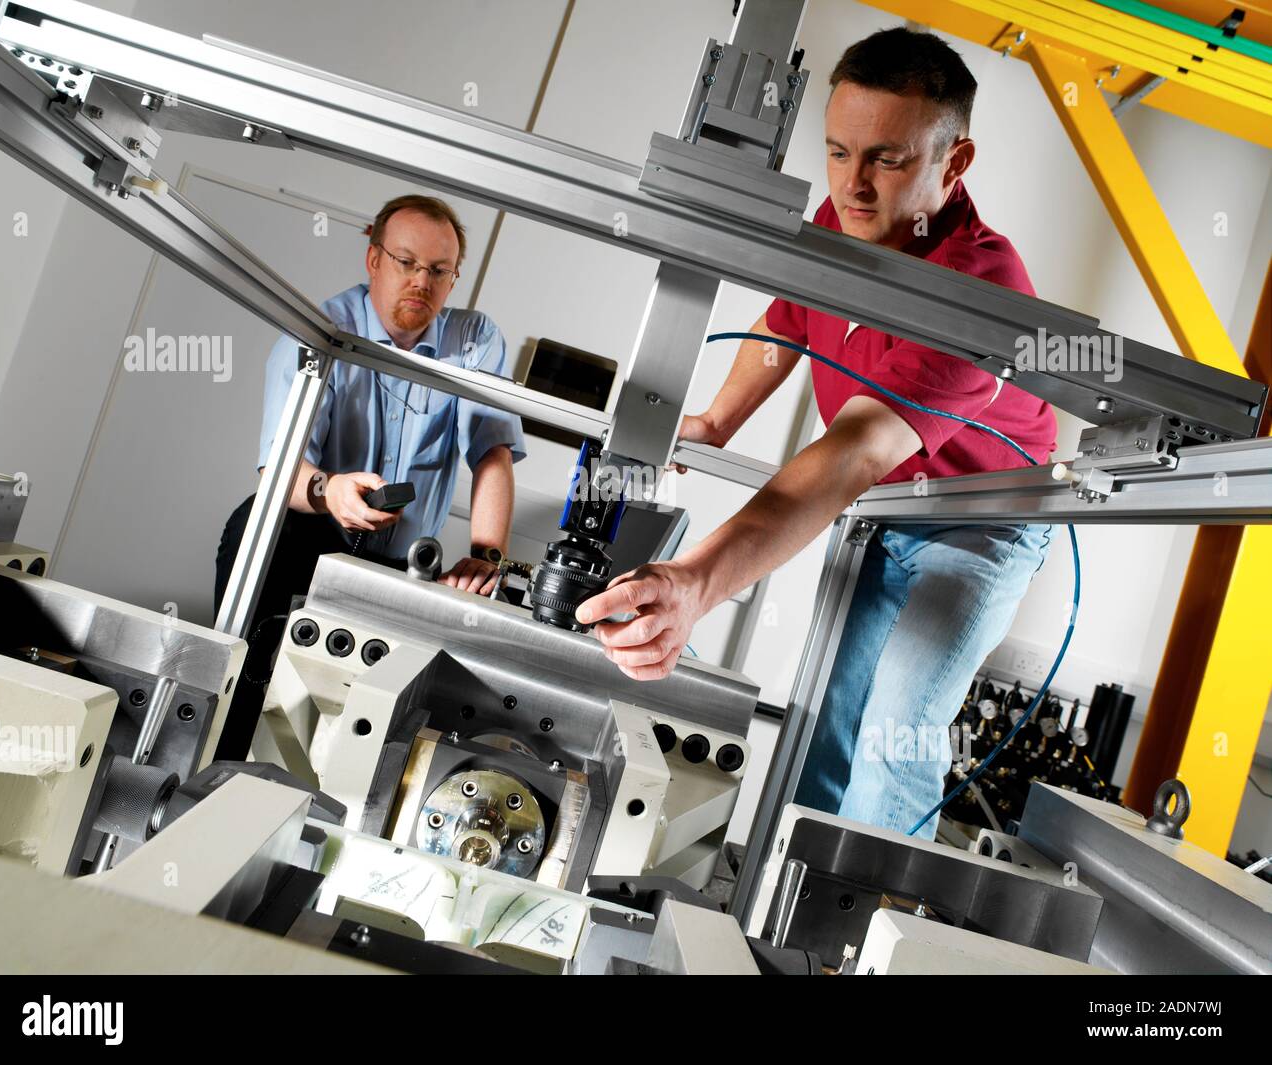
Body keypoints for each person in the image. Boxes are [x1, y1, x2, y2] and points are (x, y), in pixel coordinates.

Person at [576, 28, 1058, 839]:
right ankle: (790, 913)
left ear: (955, 162)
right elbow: (784, 325)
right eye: (839, 152)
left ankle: (867, 947)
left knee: (893, 732)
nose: (853, 185)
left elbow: (854, 452)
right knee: (822, 727)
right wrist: (716, 421)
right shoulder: (843, 221)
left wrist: (696, 582)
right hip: (890, 514)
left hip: (981, 524)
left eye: (887, 160)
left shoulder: (981, 286)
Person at [214, 193, 526, 757]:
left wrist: (488, 557)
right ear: (374, 259)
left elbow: (492, 454)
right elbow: (277, 471)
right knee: (254, 524)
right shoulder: (317, 330)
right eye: (406, 263)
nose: (420, 282)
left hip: (404, 570)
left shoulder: (474, 341)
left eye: (438, 271)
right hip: (314, 548)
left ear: (454, 279)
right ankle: (226, 740)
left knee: (372, 733)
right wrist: (328, 490)